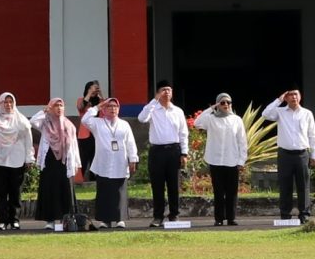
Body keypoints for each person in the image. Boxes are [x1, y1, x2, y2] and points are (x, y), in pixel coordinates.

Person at [0, 92, 35, 231]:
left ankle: (14, 220)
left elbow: (28, 139)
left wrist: (29, 158)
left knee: (15, 192)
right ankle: (3, 220)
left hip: (17, 159)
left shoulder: (20, 120)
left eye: (11, 102)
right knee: (1, 192)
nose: (8, 105)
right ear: (0, 103)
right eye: (5, 102)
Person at [262, 87, 315, 221]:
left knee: (303, 186)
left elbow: (312, 135)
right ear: (286, 97)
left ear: (300, 97)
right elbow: (265, 114)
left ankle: (304, 214)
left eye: (296, 94)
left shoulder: (307, 113)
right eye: (290, 95)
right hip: (285, 155)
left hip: (302, 154)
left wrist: (314, 154)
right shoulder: (280, 112)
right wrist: (278, 100)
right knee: (285, 186)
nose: (293, 97)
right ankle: (285, 214)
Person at [191, 94, 247, 226]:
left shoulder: (236, 120)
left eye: (228, 102)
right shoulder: (211, 119)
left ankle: (231, 217)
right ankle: (219, 219)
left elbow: (242, 141)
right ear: (218, 104)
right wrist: (211, 109)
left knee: (232, 191)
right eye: (222, 103)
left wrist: (241, 160)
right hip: (215, 160)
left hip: (232, 160)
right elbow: (197, 123)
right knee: (218, 191)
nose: (226, 105)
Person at [84, 97, 138, 229]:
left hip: (120, 162)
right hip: (103, 163)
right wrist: (97, 107)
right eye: (109, 106)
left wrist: (133, 159)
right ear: (104, 109)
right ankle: (105, 220)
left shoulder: (124, 124)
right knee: (104, 192)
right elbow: (84, 119)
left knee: (119, 192)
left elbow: (130, 142)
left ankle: (120, 219)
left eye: (115, 106)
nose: (113, 109)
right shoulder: (97, 123)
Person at [142, 81, 190, 225]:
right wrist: (154, 100)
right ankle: (158, 216)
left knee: (173, 185)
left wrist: (184, 153)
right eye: (164, 90)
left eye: (169, 90)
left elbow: (183, 133)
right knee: (157, 185)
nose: (167, 93)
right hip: (157, 151)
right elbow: (141, 118)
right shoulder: (153, 109)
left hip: (174, 150)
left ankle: (174, 214)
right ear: (158, 93)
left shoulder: (178, 111)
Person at [32, 98, 79, 232]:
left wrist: (76, 163)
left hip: (65, 161)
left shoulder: (70, 125)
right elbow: (32, 121)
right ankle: (50, 220)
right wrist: (44, 111)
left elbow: (74, 146)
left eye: (61, 106)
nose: (59, 108)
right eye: (56, 106)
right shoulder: (45, 123)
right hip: (49, 160)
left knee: (65, 189)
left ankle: (66, 220)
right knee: (49, 189)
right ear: (51, 108)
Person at [76, 79, 105, 177]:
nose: (94, 90)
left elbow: (107, 110)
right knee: (84, 157)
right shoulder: (81, 100)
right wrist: (89, 93)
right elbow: (81, 108)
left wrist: (101, 94)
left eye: (95, 88)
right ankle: (80, 178)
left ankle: (94, 179)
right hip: (85, 134)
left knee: (96, 156)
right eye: (91, 88)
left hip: (98, 133)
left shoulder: (100, 102)